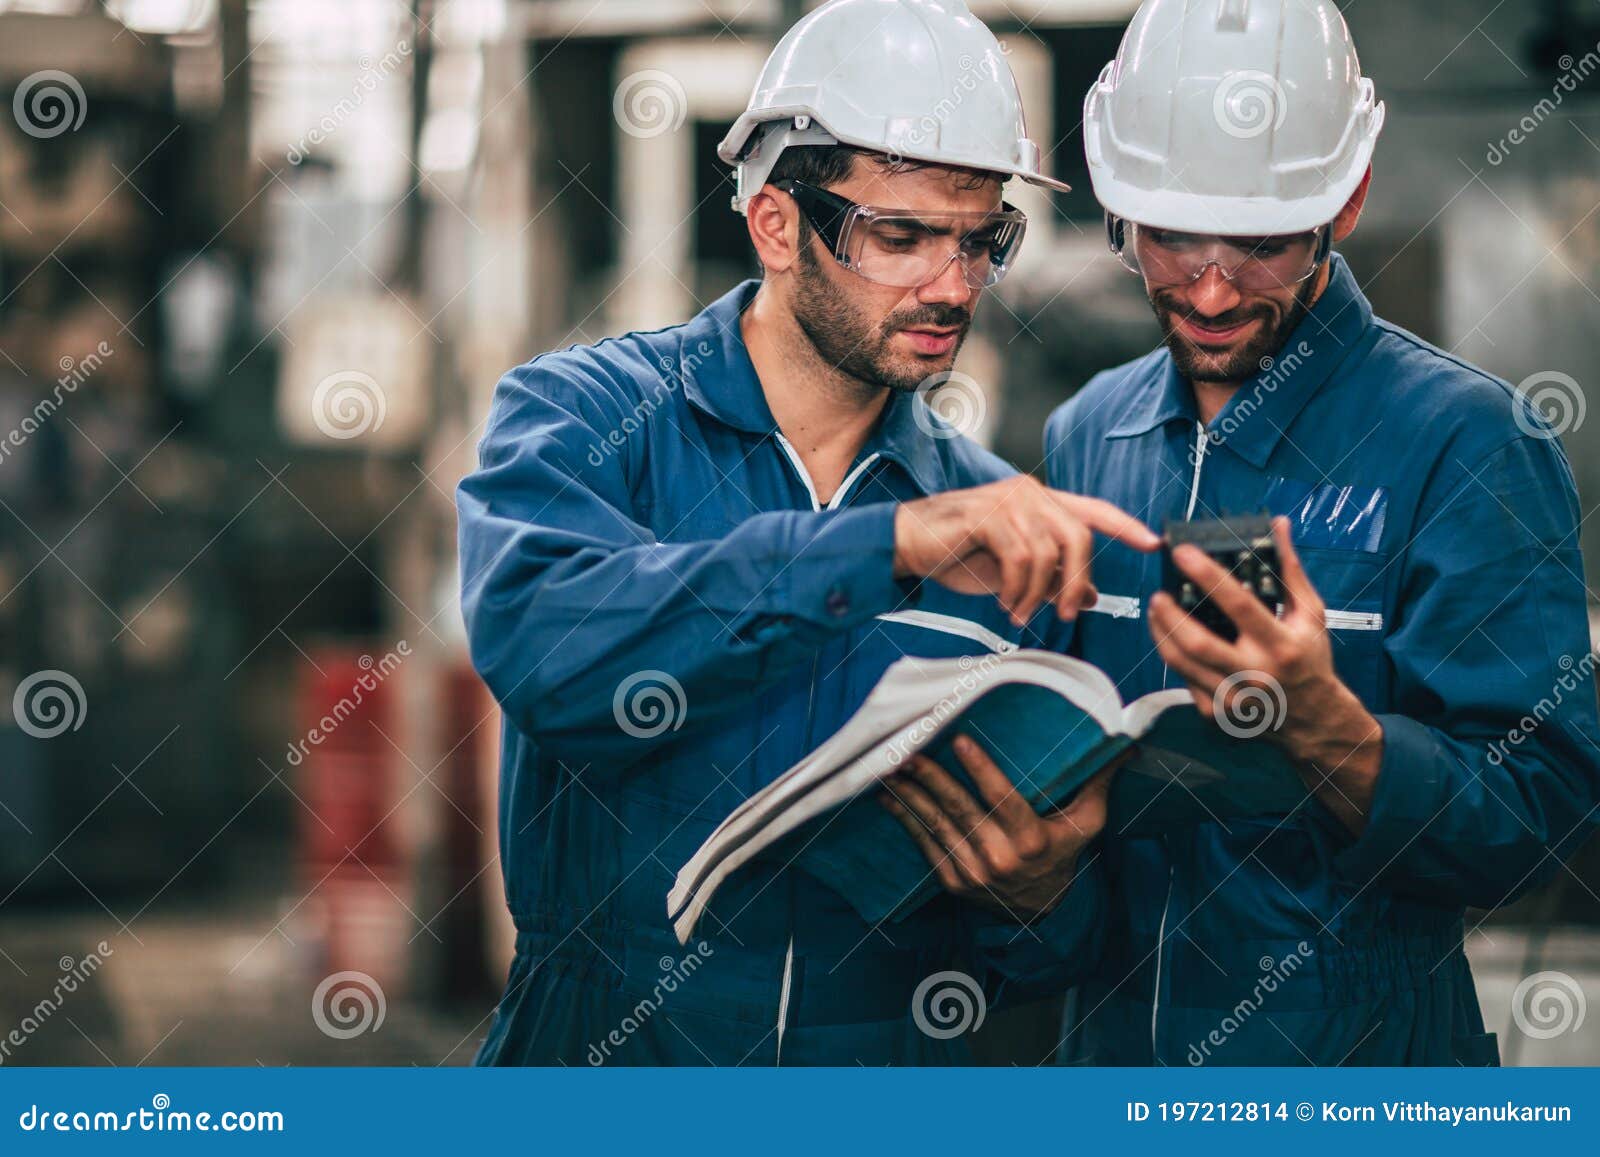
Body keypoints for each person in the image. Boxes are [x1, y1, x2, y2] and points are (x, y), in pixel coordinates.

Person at [456, 0, 1156, 1066]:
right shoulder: (590, 416)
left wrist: (1039, 893)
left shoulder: (993, 522)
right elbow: (546, 647)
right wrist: (882, 550)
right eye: (901, 236)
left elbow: (1033, 962)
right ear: (777, 223)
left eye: (981, 241)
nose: (952, 286)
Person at [1042, 0, 1600, 1064]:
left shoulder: (1466, 442)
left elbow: (1541, 816)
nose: (1208, 289)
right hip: (1110, 1061)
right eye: (1166, 236)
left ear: (1344, 202)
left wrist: (1326, 728)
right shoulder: (1089, 433)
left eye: (1258, 244)